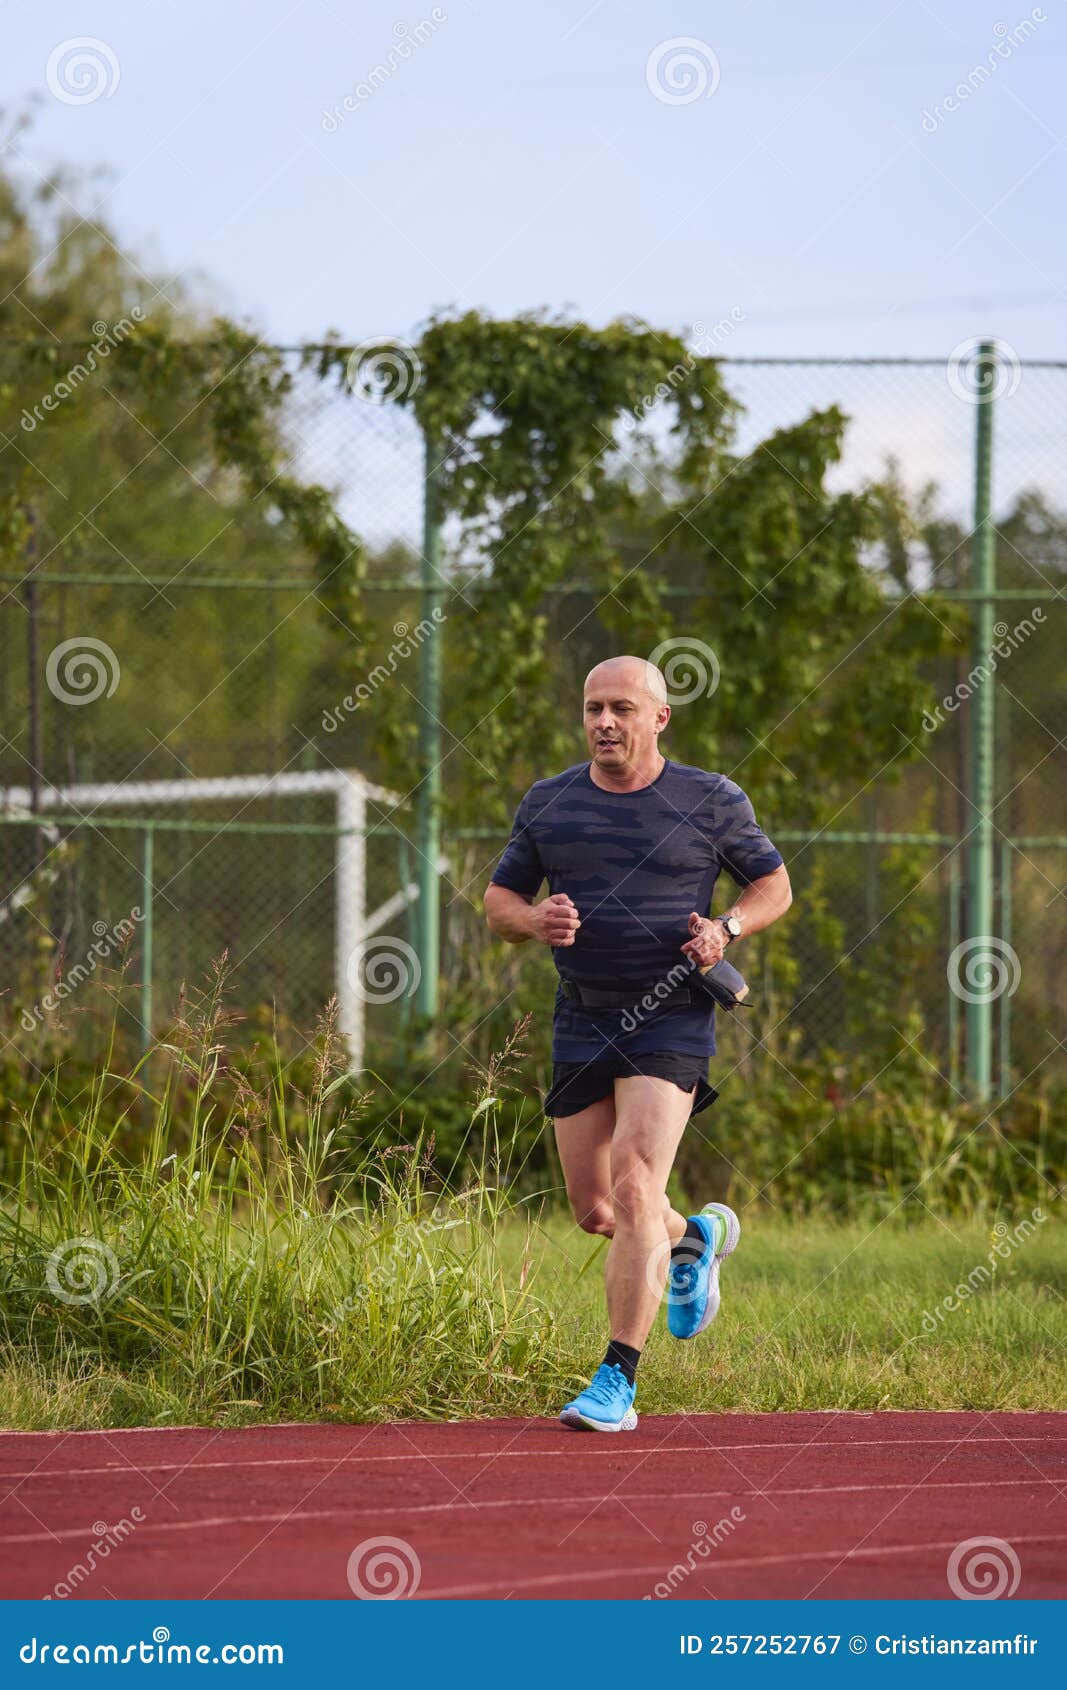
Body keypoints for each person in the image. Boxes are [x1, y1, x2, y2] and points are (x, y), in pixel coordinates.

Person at [484, 654, 792, 1431]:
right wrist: (535, 921)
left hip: (670, 1013)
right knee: (596, 1210)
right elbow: (498, 900)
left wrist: (726, 928)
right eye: (592, 708)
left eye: (621, 708)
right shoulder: (549, 804)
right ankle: (699, 1236)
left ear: (659, 718)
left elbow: (773, 886)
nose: (603, 723)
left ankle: (616, 1382)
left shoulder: (709, 800)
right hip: (580, 1015)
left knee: (632, 1183)